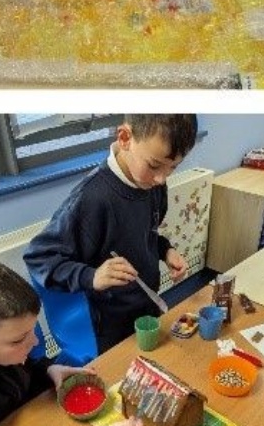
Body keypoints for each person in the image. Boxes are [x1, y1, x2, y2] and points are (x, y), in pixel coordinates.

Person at [24, 115, 196, 357]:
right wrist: (92, 276)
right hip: (106, 327)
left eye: (173, 167)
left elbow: (146, 233)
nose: (162, 178)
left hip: (144, 307)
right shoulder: (91, 199)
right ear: (125, 138)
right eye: (155, 165)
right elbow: (39, 258)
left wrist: (165, 250)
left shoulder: (152, 184)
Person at [0, 257, 146, 426]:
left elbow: (12, 373)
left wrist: (47, 370)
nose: (36, 342)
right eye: (18, 340)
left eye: (33, 329)